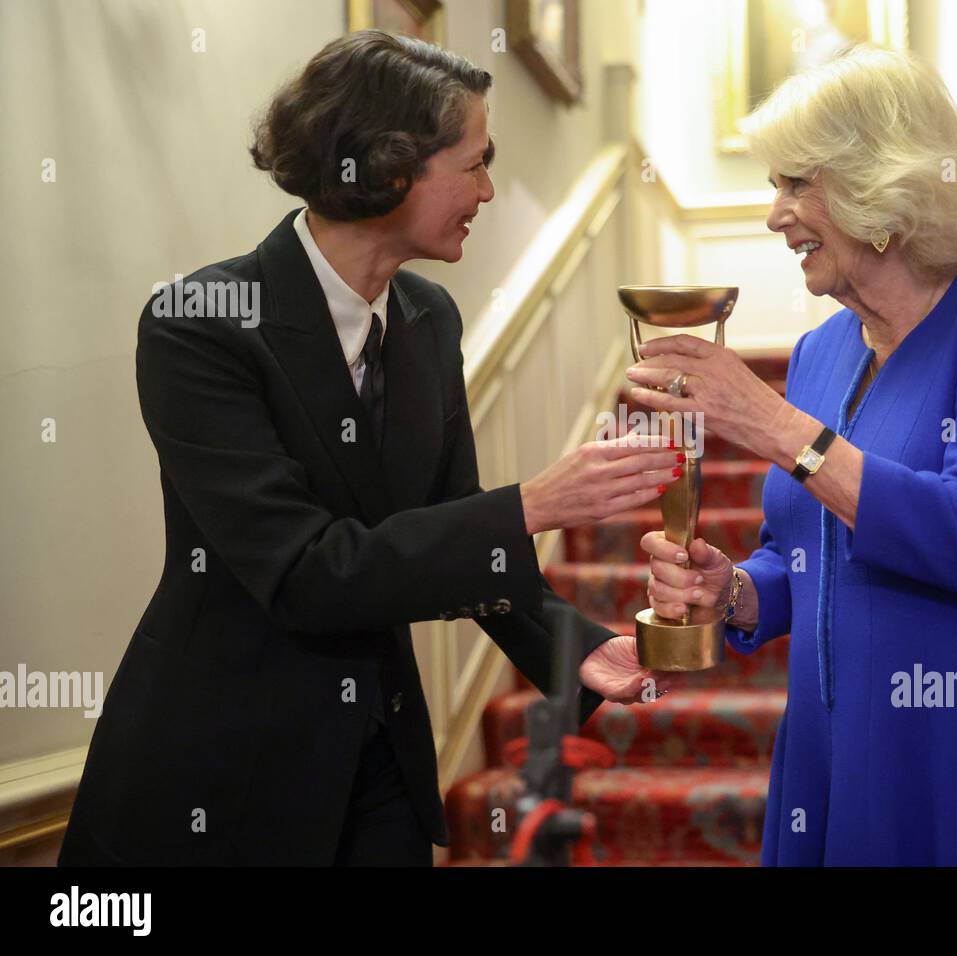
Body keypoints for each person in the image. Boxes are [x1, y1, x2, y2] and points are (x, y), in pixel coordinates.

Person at [58, 31, 680, 867]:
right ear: (388, 168)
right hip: (220, 771)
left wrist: (570, 647)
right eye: (474, 163)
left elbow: (450, 528)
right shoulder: (199, 321)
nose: (490, 189)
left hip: (379, 758)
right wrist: (534, 504)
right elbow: (306, 573)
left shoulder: (430, 319)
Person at [630, 46, 957, 866]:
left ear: (880, 181)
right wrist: (733, 591)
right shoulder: (818, 352)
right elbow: (803, 554)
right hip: (835, 754)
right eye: (775, 186)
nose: (774, 215)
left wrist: (771, 424)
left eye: (798, 183)